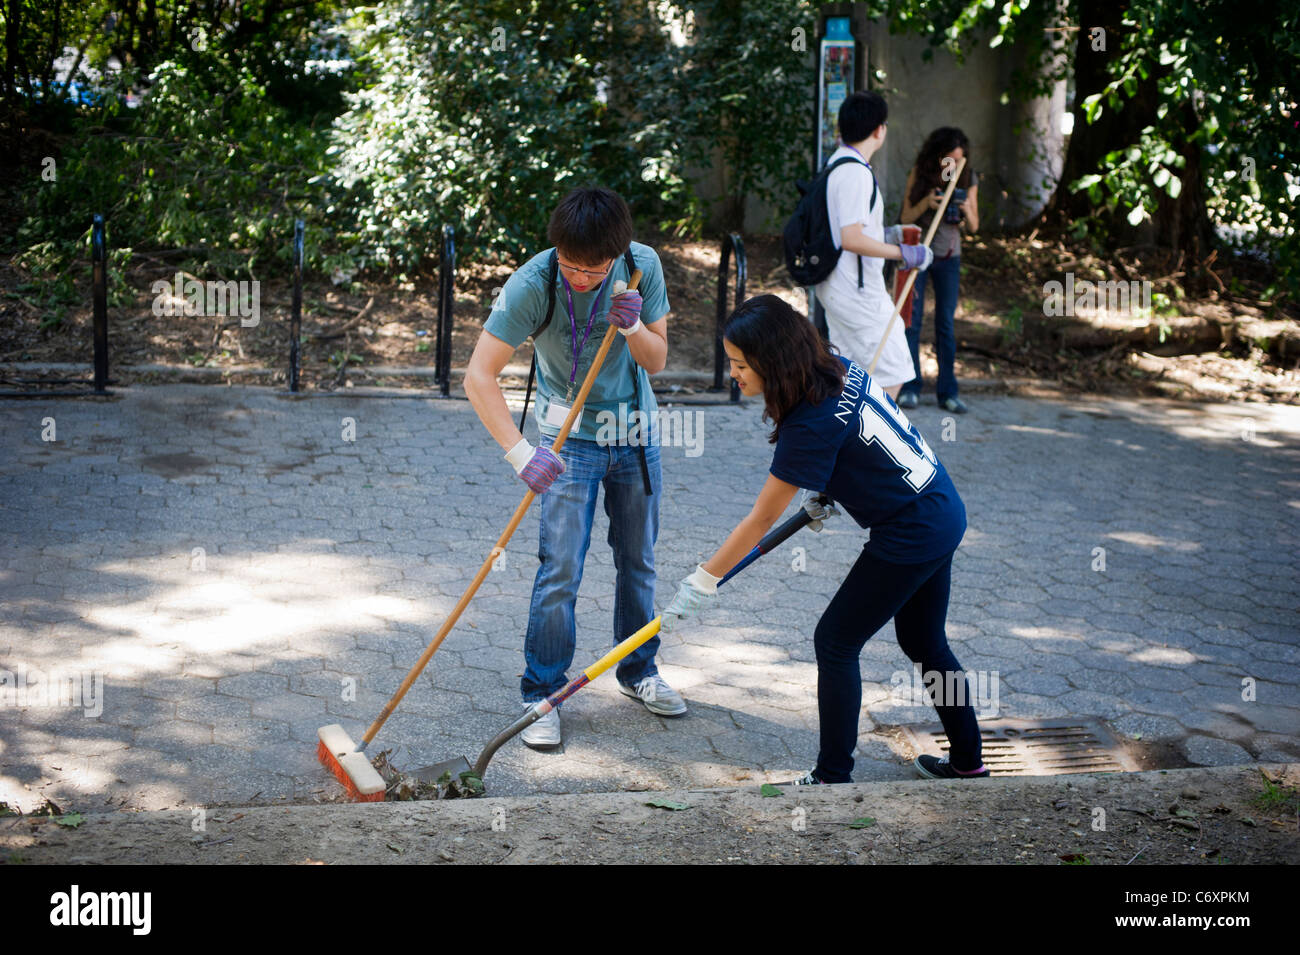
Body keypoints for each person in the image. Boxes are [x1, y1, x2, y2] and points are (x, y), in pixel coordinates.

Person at [660, 294, 987, 783]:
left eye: (740, 365)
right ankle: (967, 762)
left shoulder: (809, 423)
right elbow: (857, 435)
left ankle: (832, 776)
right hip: (941, 505)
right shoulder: (835, 365)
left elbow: (759, 519)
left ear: (773, 362)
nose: (734, 375)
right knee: (923, 640)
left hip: (911, 531)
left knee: (835, 641)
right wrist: (830, 487)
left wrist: (704, 581)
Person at [463, 186, 685, 750]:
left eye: (592, 269)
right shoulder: (535, 282)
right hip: (569, 443)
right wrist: (520, 453)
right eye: (570, 265)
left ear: (616, 253)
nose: (580, 278)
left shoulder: (640, 267)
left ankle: (639, 673)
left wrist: (635, 328)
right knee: (560, 569)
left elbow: (656, 361)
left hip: (634, 436)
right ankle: (541, 693)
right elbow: (478, 376)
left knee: (638, 563)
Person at [815, 91, 933, 400]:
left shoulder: (837, 164)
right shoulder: (856, 173)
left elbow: (851, 228)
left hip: (838, 285)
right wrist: (904, 253)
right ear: (879, 130)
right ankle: (866, 443)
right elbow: (851, 238)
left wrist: (890, 234)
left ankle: (844, 443)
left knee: (853, 375)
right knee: (894, 370)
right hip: (856, 290)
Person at [898, 127, 979, 413]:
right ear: (937, 157)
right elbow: (906, 216)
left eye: (959, 160)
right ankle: (909, 387)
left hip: (949, 256)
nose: (954, 167)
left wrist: (966, 206)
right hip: (920, 254)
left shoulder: (969, 178)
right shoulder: (919, 172)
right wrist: (927, 203)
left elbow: (975, 226)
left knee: (945, 323)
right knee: (913, 321)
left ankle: (948, 391)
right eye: (949, 161)